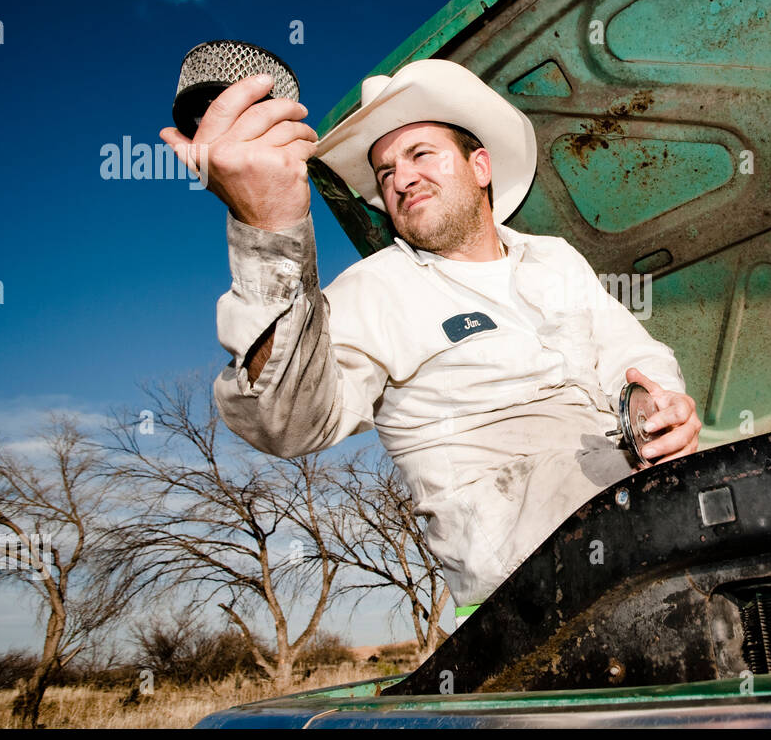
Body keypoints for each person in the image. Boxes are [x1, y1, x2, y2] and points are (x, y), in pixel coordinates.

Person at [160, 58, 702, 616]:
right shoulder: (373, 290)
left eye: (420, 154)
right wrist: (269, 229)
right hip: (538, 597)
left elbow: (631, 353)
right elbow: (288, 421)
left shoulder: (555, 259)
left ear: (481, 166)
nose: (401, 177)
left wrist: (662, 403)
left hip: (667, 520)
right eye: (385, 171)